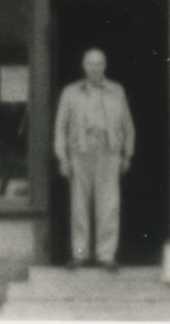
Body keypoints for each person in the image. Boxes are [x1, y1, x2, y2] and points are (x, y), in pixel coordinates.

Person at [54, 47, 135, 270]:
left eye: (99, 63)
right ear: (83, 66)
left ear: (105, 66)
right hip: (80, 152)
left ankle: (106, 255)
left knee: (108, 204)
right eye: (90, 63)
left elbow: (128, 125)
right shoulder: (70, 92)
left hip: (109, 152)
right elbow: (60, 127)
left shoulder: (116, 90)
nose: (95, 68)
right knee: (79, 205)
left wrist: (127, 154)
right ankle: (80, 254)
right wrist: (63, 158)